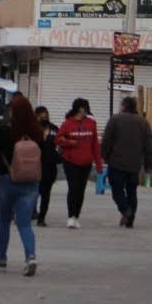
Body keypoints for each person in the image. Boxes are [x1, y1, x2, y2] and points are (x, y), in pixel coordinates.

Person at [0, 94, 43, 277]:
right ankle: (30, 256)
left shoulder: (5, 131)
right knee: (25, 224)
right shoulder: (37, 133)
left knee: (4, 221)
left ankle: (1, 259)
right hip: (30, 182)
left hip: (7, 179)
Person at [101, 95, 152, 228]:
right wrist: (149, 164)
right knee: (132, 191)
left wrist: (105, 157)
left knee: (117, 190)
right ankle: (130, 221)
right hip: (134, 164)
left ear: (123, 106)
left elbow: (106, 140)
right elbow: (150, 145)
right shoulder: (143, 122)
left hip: (117, 162)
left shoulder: (115, 119)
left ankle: (125, 210)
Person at [55, 97, 103, 229]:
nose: (86, 110)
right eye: (84, 107)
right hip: (71, 162)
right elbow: (58, 139)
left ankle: (76, 216)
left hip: (86, 162)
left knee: (81, 190)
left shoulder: (91, 123)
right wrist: (69, 143)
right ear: (79, 108)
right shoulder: (68, 123)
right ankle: (70, 216)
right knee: (73, 188)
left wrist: (98, 164)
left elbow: (95, 145)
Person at [34, 106, 59, 227]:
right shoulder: (32, 129)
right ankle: (31, 211)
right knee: (34, 192)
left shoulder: (54, 129)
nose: (44, 119)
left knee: (46, 193)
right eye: (41, 117)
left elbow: (60, 145)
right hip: (34, 166)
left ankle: (41, 217)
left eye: (46, 116)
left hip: (50, 167)